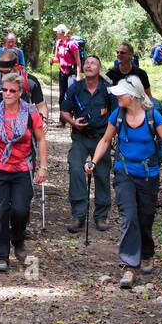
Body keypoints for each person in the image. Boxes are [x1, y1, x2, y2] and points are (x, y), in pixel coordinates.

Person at [85, 75, 162, 288]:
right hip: (124, 173)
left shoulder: (153, 116)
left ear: (132, 96)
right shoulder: (117, 115)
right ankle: (129, 265)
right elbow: (105, 140)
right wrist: (93, 162)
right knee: (129, 216)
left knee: (145, 218)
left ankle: (147, 253)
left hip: (149, 175)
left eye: (121, 93)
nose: (117, 96)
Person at [0, 72, 47, 273]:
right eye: (5, 90)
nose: (8, 94)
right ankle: (1, 255)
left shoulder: (30, 112)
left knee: (20, 210)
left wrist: (43, 166)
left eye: (12, 91)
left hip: (22, 168)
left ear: (20, 92)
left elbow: (41, 139)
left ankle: (18, 240)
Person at [61, 54, 111, 233]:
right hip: (80, 137)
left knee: (102, 173)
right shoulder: (75, 88)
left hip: (101, 137)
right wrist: (74, 123)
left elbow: (115, 114)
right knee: (75, 167)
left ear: (99, 69)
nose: (89, 66)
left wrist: (111, 136)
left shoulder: (107, 90)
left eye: (93, 63)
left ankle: (101, 216)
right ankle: (78, 215)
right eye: (87, 63)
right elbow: (64, 111)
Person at [0, 49, 49, 125]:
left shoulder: (30, 81)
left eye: (6, 72)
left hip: (25, 124)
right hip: (0, 125)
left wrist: (44, 121)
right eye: (1, 72)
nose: (3, 75)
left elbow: (41, 105)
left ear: (16, 66)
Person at [51, 24, 82, 122]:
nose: (56, 33)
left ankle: (76, 118)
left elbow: (78, 62)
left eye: (57, 31)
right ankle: (63, 120)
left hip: (72, 72)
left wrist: (78, 75)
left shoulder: (72, 44)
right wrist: (52, 60)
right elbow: (57, 59)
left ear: (62, 33)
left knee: (72, 95)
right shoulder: (58, 43)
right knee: (62, 95)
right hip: (62, 72)